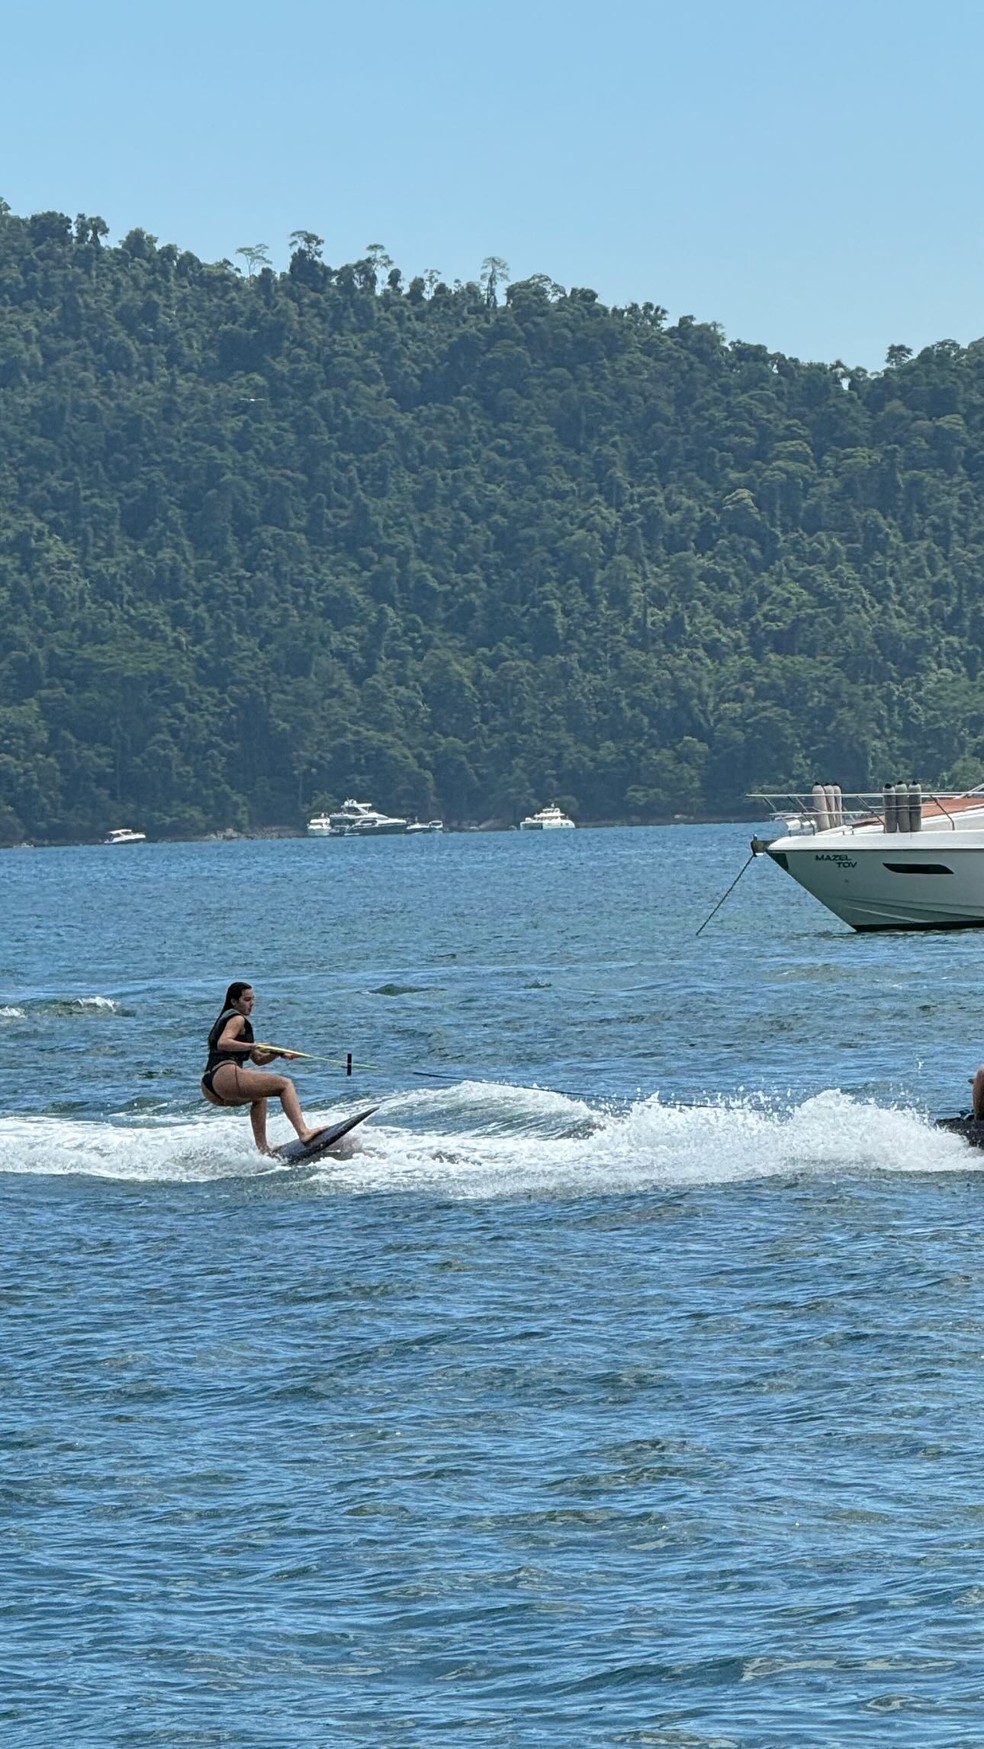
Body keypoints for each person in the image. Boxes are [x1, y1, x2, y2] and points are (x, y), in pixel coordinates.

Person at [201, 981, 322, 1155]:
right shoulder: (237, 1018)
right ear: (234, 1002)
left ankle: (263, 1149)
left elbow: (258, 1060)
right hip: (224, 1073)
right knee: (285, 1084)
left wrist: (277, 1052)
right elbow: (223, 1043)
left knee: (259, 1097)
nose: (252, 1003)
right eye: (247, 1000)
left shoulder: (226, 1020)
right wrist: (253, 1046)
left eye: (253, 999)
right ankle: (304, 1132)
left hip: (210, 1085)